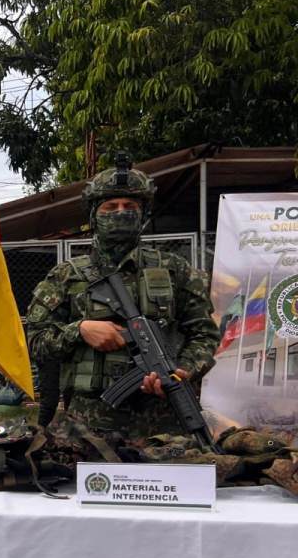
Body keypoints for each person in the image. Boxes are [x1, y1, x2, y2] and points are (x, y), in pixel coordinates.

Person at [25, 155, 220, 439]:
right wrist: (79, 330)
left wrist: (181, 372)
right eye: (111, 206)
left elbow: (204, 334)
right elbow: (36, 342)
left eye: (130, 206)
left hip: (163, 422)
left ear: (143, 214)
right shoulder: (65, 276)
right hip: (87, 426)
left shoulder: (175, 270)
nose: (121, 212)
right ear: (94, 215)